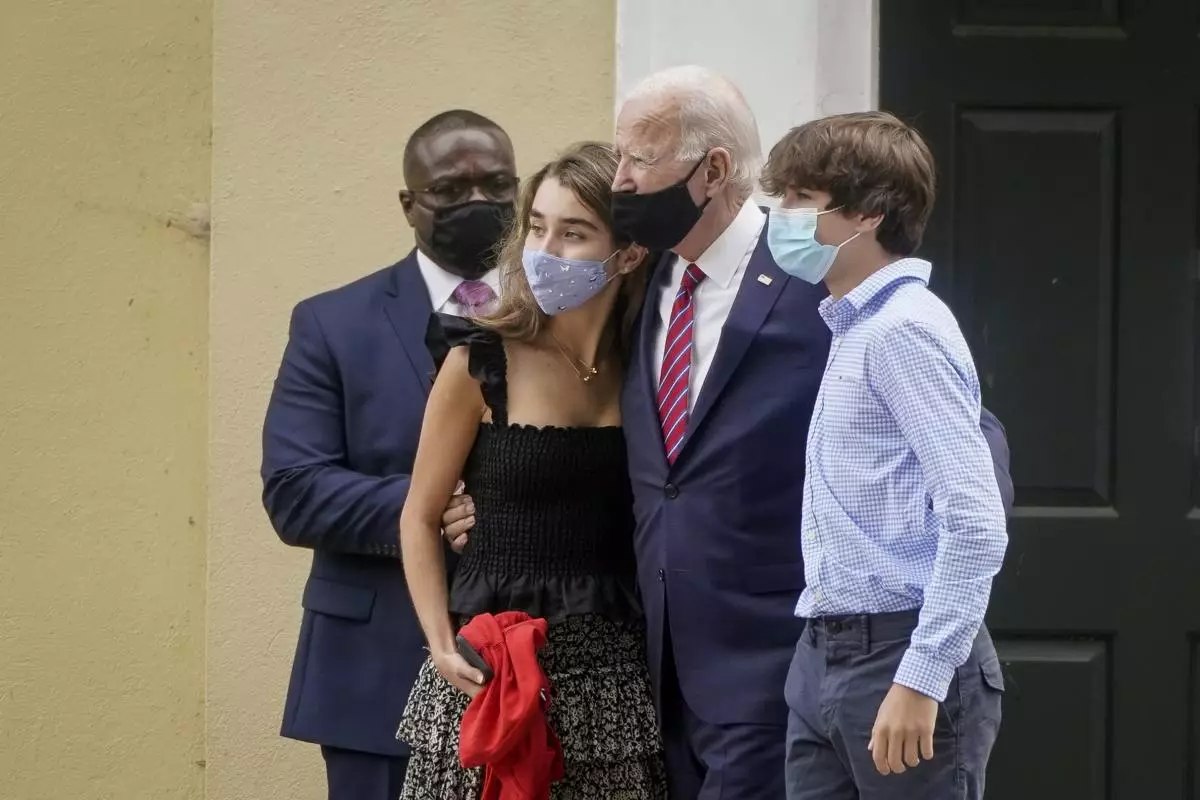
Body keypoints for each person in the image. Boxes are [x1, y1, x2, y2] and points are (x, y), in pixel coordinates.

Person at [442, 67, 1013, 800]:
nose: (622, 179)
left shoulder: (827, 273)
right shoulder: (643, 279)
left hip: (790, 663)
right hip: (661, 668)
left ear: (711, 171)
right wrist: (482, 489)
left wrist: (922, 628)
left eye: (640, 159)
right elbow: (587, 420)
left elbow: (971, 447)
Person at [395, 141, 667, 799]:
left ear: (628, 253)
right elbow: (421, 514)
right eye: (537, 226)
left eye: (573, 233)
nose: (546, 248)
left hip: (614, 689)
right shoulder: (480, 360)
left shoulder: (653, 369)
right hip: (491, 677)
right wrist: (440, 643)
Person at [260, 109, 517, 800]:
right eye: (450, 189)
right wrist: (435, 507)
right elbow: (294, 489)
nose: (477, 204)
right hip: (375, 671)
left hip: (536, 668)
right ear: (409, 204)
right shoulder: (332, 323)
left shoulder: (565, 318)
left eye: (496, 184)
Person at [763, 111, 1007, 799]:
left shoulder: (903, 330)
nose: (780, 218)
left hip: (899, 652)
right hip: (825, 654)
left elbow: (976, 519)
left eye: (800, 201)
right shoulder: (854, 327)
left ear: (866, 214)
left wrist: (922, 677)